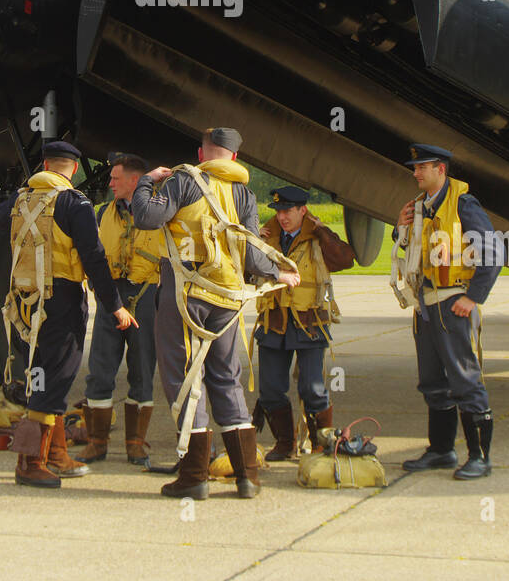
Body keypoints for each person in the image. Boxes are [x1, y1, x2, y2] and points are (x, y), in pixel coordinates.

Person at [132, 127, 300, 500]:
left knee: (184, 379)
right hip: (226, 300)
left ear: (201, 153)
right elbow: (254, 254)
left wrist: (146, 181)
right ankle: (247, 476)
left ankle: (194, 476)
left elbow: (144, 217)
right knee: (226, 378)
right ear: (236, 158)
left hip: (184, 297)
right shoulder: (244, 194)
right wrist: (280, 273)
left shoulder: (184, 182)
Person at [4, 140, 136, 490]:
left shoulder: (19, 200)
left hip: (23, 306)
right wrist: (115, 305)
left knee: (38, 378)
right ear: (73, 169)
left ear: (45, 164)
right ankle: (30, 463)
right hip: (60, 304)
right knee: (57, 380)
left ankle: (54, 454)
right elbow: (93, 258)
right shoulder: (73, 203)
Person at [395, 143, 501, 479]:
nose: (415, 174)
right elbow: (408, 248)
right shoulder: (419, 206)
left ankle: (480, 457)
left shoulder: (463, 204)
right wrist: (399, 227)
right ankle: (441, 450)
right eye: (415, 168)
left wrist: (474, 297)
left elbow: (493, 252)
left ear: (440, 169)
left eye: (421, 167)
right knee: (432, 382)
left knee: (465, 380)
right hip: (424, 306)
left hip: (452, 303)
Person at [254, 186, 355, 460]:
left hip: (310, 323)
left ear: (303, 210)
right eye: (278, 211)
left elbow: (346, 259)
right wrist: (253, 240)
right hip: (273, 322)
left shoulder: (318, 237)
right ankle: (285, 444)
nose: (282, 217)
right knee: (271, 390)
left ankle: (321, 444)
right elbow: (244, 269)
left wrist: (323, 232)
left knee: (312, 388)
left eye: (288, 211)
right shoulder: (266, 237)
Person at [81, 153, 162, 465]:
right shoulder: (103, 213)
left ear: (134, 181)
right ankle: (96, 442)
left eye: (115, 178)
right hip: (111, 298)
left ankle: (135, 443)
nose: (110, 183)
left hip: (146, 295)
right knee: (99, 371)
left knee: (142, 371)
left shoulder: (161, 211)